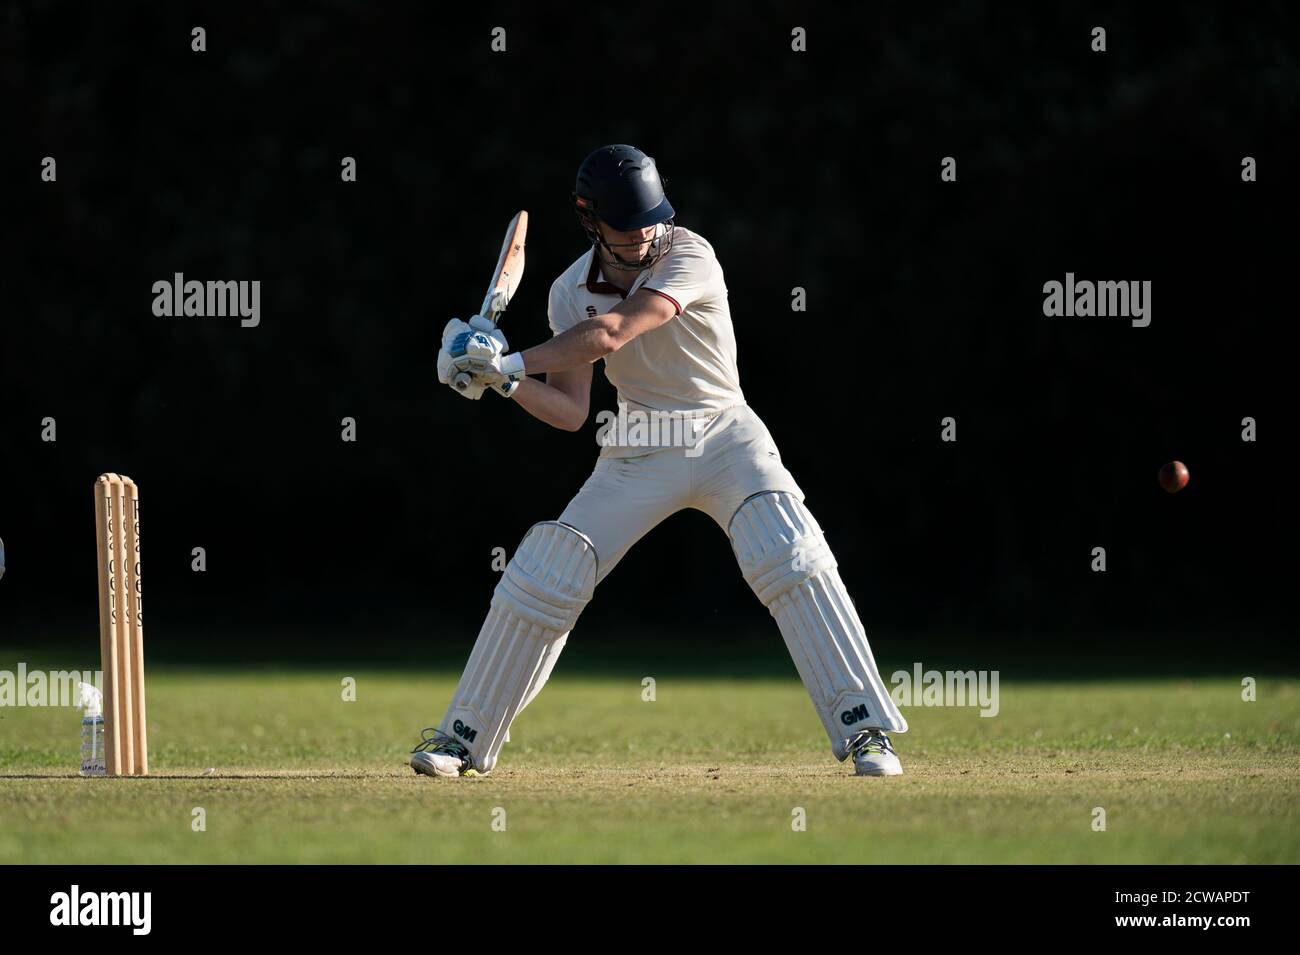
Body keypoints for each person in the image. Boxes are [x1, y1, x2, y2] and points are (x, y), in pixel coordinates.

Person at [415, 144, 906, 778]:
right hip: (638, 445)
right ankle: (461, 739)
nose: (645, 232)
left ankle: (866, 729)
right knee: (546, 569)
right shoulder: (568, 292)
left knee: (789, 552)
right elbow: (568, 410)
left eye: (652, 216)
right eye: (628, 222)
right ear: (591, 220)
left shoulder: (689, 253)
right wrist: (500, 383)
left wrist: (506, 359)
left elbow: (615, 332)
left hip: (727, 434)